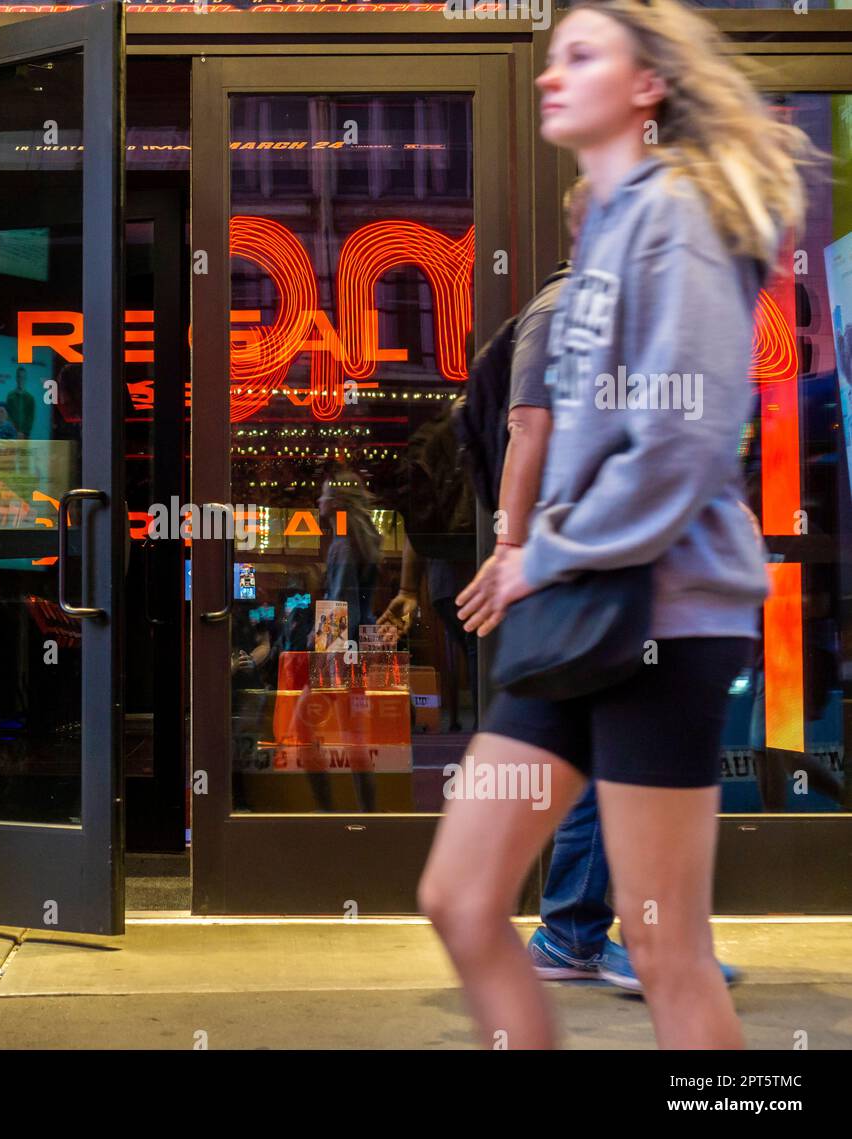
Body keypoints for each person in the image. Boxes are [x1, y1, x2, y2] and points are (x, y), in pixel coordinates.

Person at [420, 0, 814, 1049]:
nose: (553, 75)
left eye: (582, 57)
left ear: (648, 87)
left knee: (661, 945)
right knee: (459, 897)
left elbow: (682, 448)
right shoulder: (604, 229)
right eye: (551, 58)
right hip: (573, 617)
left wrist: (534, 550)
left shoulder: (676, 213)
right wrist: (534, 557)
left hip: (663, 622)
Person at [7, 367, 36, 441]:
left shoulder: (30, 398)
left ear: (26, 379)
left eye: (23, 377)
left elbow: (30, 418)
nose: (21, 380)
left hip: (25, 436)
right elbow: (8, 415)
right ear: (16, 378)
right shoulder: (10, 396)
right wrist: (15, 431)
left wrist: (23, 432)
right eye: (19, 377)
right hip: (11, 434)